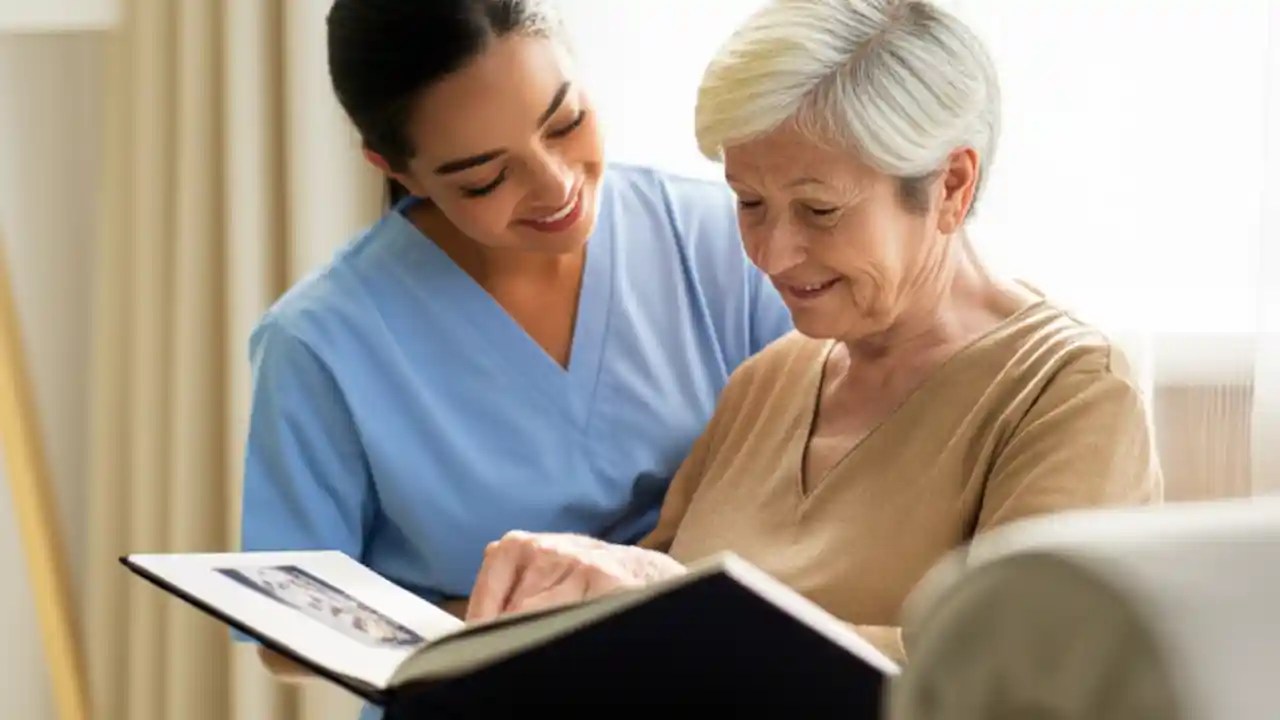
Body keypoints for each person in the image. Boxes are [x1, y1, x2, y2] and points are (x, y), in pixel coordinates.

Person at [464, 0, 1164, 666]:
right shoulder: (766, 382)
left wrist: (688, 620)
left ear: (950, 185)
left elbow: (1012, 680)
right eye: (751, 203)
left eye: (820, 210)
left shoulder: (1066, 394)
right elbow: (649, 622)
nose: (772, 253)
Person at [236, 0, 793, 696]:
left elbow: (831, 499)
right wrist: (519, 622)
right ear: (396, 170)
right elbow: (286, 631)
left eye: (565, 123)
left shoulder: (725, 244)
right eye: (483, 178)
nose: (555, 185)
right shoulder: (320, 344)